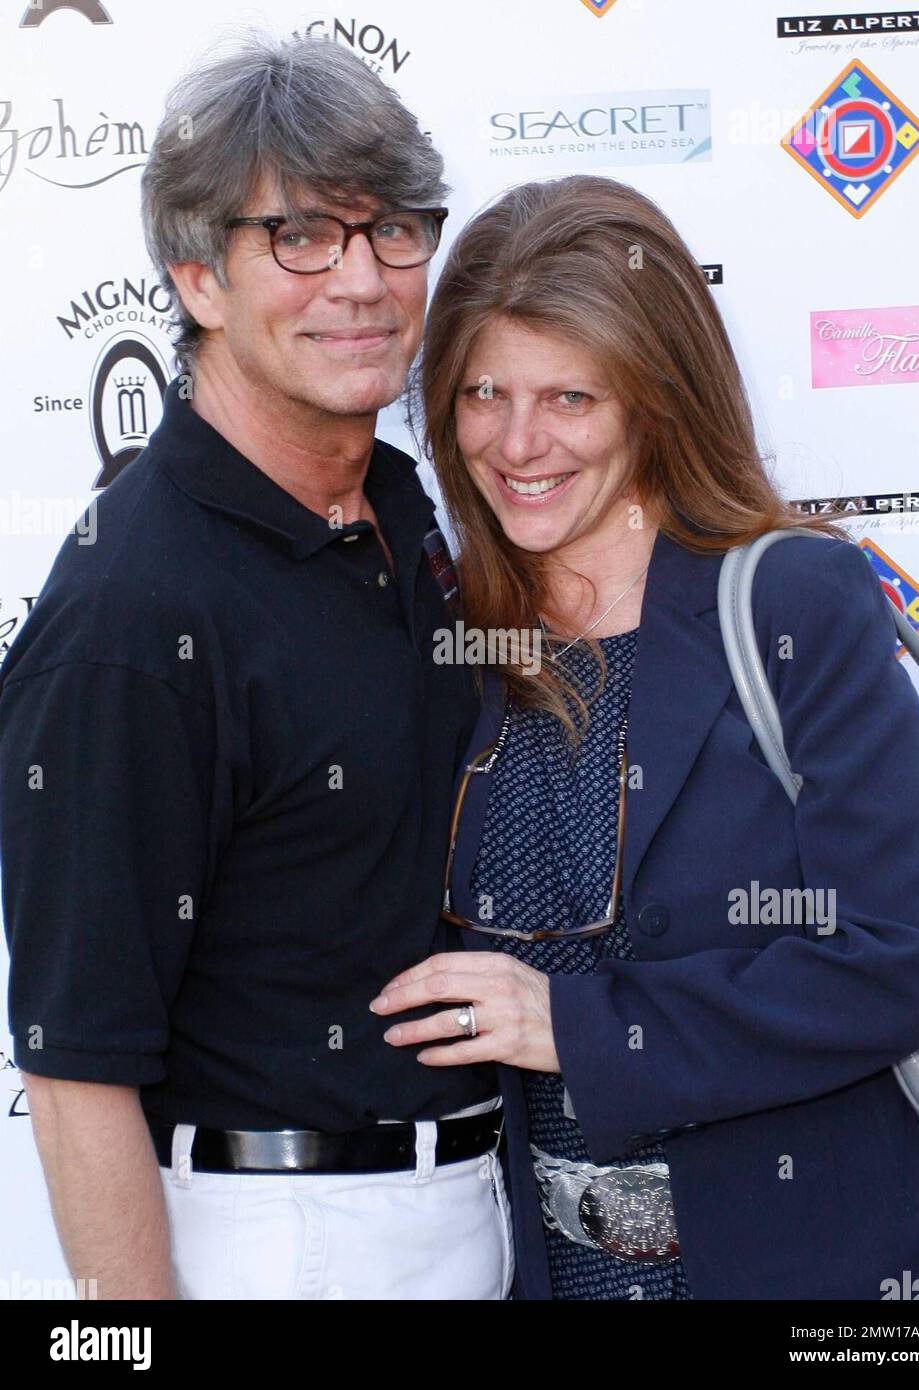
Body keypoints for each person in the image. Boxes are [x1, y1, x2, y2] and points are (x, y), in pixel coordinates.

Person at [370, 174, 919, 1300]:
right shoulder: (455, 642)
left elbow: (908, 957)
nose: (516, 441)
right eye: (481, 392)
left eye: (569, 399)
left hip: (816, 1276)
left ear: (655, 397)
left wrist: (585, 1027)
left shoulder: (794, 600)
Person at [0, 34, 511, 1301]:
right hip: (278, 1249)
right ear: (197, 277)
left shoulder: (404, 511)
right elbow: (74, 1066)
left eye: (392, 228)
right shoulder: (130, 614)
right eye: (300, 237)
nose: (363, 279)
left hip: (473, 1209)